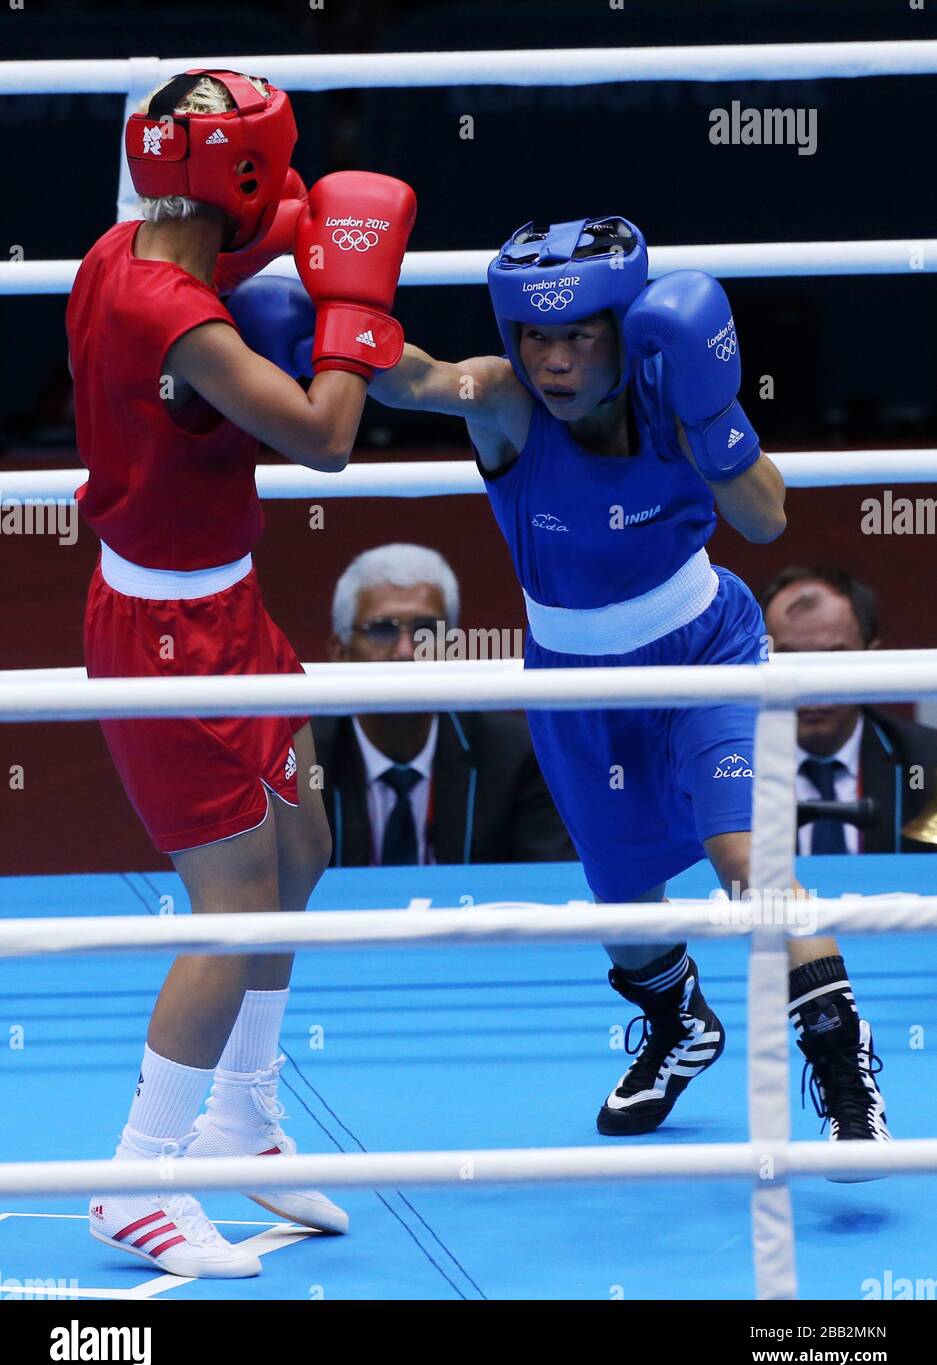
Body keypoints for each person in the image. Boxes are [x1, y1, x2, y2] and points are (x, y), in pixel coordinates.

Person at [226, 216, 891, 1154]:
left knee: (750, 862)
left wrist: (713, 418)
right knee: (624, 905)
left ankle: (842, 1072)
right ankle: (678, 1025)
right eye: (537, 335)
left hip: (705, 654)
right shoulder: (503, 402)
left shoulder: (676, 396)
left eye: (579, 334)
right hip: (574, 682)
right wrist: (323, 326)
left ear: (628, 330)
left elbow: (770, 519)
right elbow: (414, 378)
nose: (555, 360)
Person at [66, 68, 415, 1277]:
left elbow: (258, 233)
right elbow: (322, 438)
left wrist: (303, 242)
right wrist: (357, 305)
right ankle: (137, 1177)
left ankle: (244, 1122)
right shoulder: (174, 316)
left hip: (230, 607)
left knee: (304, 846)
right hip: (163, 639)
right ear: (245, 167)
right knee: (235, 904)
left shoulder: (120, 248)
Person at [317, 543, 576, 865]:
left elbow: (543, 894)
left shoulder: (519, 755)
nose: (405, 650)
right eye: (382, 629)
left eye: (426, 631)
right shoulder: (306, 760)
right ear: (339, 653)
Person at [763, 565, 937, 853]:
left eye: (833, 660)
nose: (813, 688)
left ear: (871, 659)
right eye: (789, 661)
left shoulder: (929, 762)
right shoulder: (724, 767)